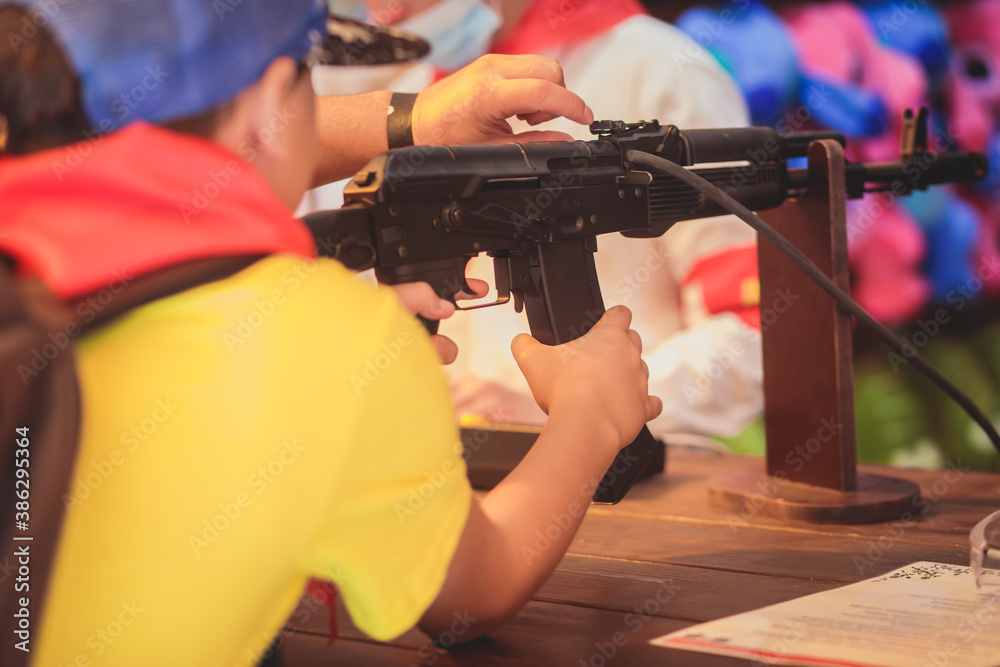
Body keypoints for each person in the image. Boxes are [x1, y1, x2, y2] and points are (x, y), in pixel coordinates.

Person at [0, 1, 659, 665]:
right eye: (307, 82)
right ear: (266, 106)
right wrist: (590, 408)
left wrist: (412, 123)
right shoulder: (333, 338)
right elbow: (472, 593)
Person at [313, 0, 765, 439]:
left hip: (637, 479)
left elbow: (757, 328)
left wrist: (584, 415)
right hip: (444, 475)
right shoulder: (399, 95)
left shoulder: (658, 66)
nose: (381, 8)